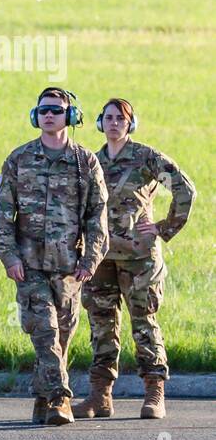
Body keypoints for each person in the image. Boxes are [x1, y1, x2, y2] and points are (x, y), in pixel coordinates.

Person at [72, 98, 196, 420]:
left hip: (139, 259)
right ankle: (100, 396)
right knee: (101, 326)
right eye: (108, 118)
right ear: (100, 123)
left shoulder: (145, 158)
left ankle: (154, 393)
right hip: (100, 258)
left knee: (143, 324)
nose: (114, 123)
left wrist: (162, 227)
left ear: (130, 124)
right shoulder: (92, 161)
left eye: (120, 118)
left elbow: (185, 190)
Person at [0, 87, 109, 425]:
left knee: (60, 337)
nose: (49, 115)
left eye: (56, 110)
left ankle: (42, 397)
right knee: (44, 330)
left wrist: (91, 259)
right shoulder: (19, 160)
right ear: (35, 116)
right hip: (29, 267)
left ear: (70, 117)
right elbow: (3, 215)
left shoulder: (85, 162)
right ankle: (60, 398)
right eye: (43, 110)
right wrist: (9, 257)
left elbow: (96, 215)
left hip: (69, 267)